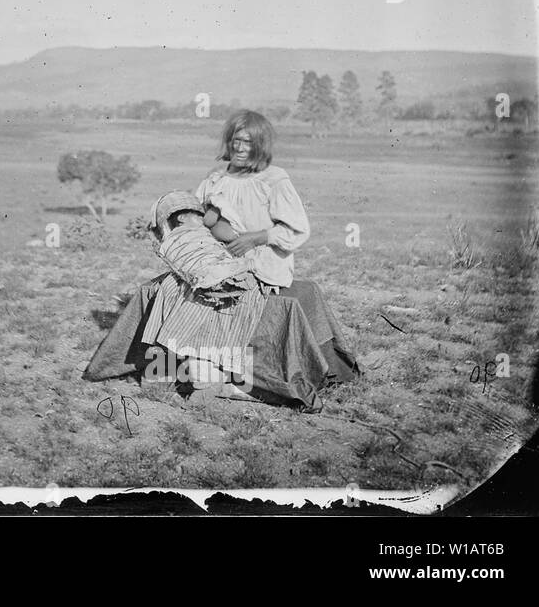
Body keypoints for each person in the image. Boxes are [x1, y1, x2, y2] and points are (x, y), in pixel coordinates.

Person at [84, 110, 359, 410]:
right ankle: (178, 371)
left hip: (262, 262)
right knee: (176, 293)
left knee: (228, 298)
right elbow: (200, 218)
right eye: (235, 141)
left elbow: (296, 229)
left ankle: (226, 378)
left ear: (260, 144)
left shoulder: (273, 180)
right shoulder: (216, 180)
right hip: (214, 259)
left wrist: (256, 237)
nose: (240, 148)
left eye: (248, 142)